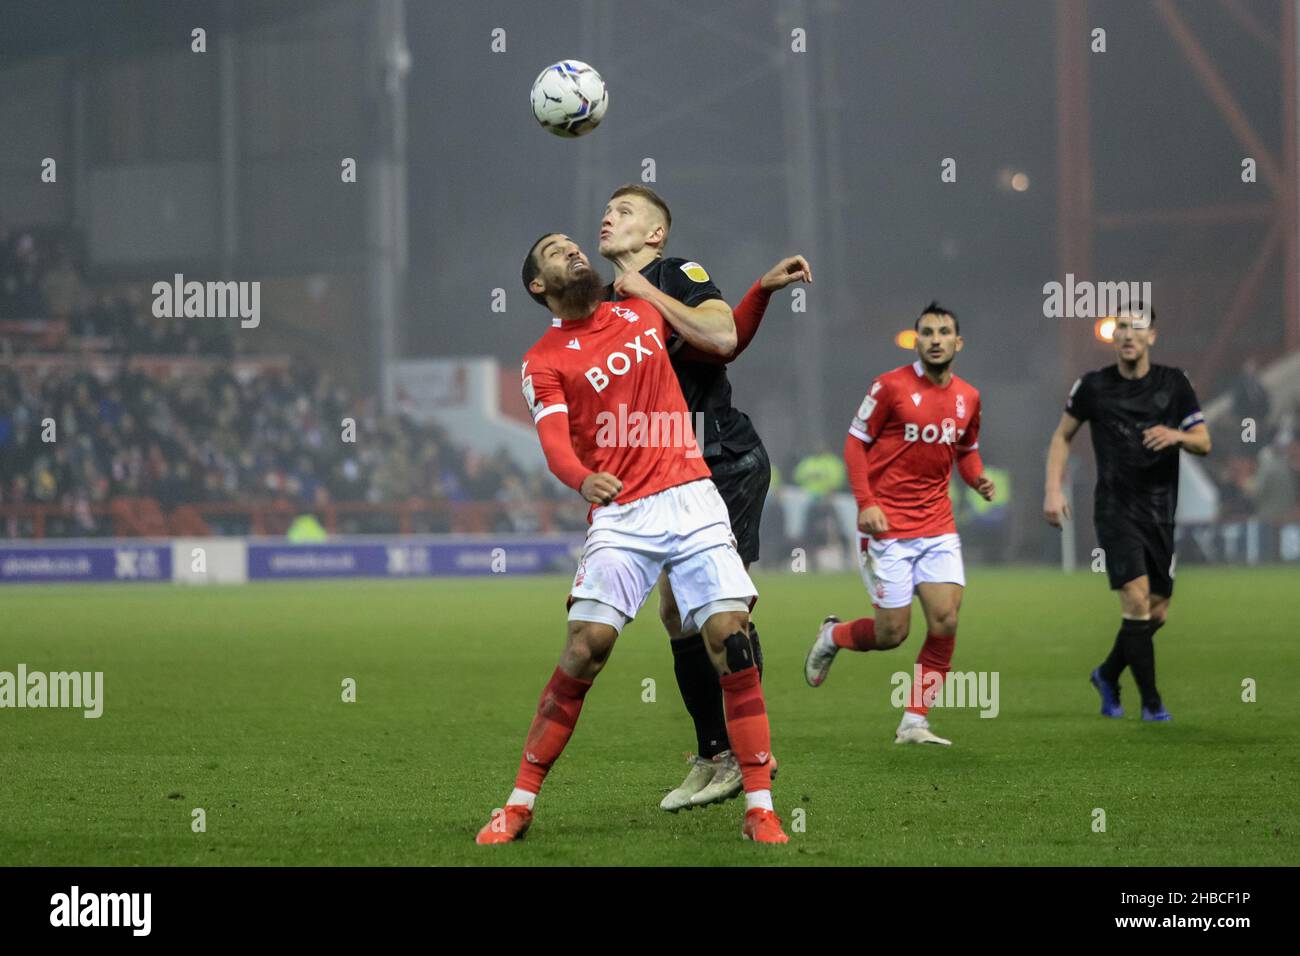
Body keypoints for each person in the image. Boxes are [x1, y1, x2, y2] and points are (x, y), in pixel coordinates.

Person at [475, 233, 786, 845]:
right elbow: (557, 445)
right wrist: (581, 477)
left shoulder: (640, 308)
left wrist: (759, 292)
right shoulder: (542, 360)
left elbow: (724, 343)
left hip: (693, 496)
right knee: (586, 649)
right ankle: (518, 803)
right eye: (554, 251)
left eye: (573, 244)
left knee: (732, 640)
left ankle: (760, 806)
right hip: (622, 513)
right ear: (538, 285)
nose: (573, 250)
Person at [599, 184, 810, 809]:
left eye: (626, 212)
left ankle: (748, 761)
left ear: (656, 234)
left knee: (721, 613)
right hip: (666, 470)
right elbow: (718, 345)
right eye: (607, 211)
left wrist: (651, 292)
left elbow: (719, 339)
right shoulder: (607, 305)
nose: (609, 218)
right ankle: (716, 755)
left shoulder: (675, 273)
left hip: (723, 460)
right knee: (676, 614)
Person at [804, 302, 993, 746]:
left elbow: (966, 450)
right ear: (916, 339)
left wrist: (977, 477)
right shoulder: (889, 387)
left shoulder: (969, 396)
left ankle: (914, 721)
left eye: (944, 332)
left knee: (945, 620)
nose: (935, 339)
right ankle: (833, 635)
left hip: (937, 524)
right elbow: (854, 445)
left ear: (957, 342)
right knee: (892, 634)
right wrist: (865, 502)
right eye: (926, 332)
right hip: (885, 525)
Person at [1042, 307, 1210, 721]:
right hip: (1116, 509)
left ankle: (1107, 673)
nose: (1127, 334)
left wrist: (1175, 435)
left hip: (1160, 511)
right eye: (1120, 327)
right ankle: (1152, 704)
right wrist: (1052, 488)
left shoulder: (1174, 384)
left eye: (1137, 327)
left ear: (1152, 336)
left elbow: (1203, 442)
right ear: (1112, 337)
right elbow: (1062, 436)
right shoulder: (1094, 386)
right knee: (1135, 600)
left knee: (1156, 612)